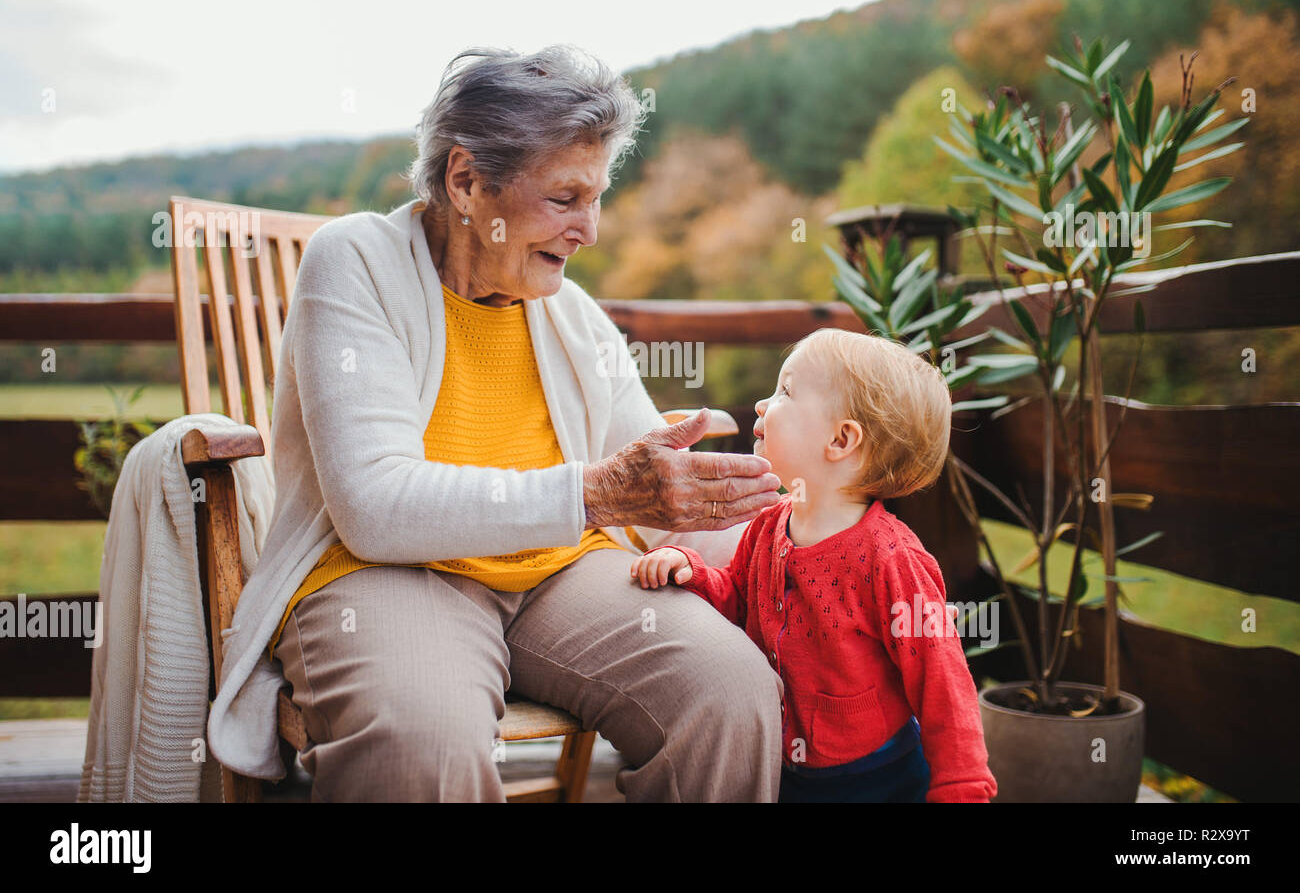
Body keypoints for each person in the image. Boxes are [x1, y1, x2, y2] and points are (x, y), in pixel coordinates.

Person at [205, 44, 785, 801]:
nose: (591, 230)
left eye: (597, 197)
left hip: (561, 573)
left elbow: (657, 496)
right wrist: (597, 495)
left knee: (731, 690)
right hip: (386, 575)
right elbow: (374, 511)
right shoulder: (355, 262)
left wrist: (793, 537)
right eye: (564, 198)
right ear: (467, 181)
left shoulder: (571, 314)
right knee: (421, 740)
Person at [630, 328, 998, 802]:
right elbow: (739, 599)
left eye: (785, 392)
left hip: (879, 778)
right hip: (788, 771)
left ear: (841, 439)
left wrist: (961, 788)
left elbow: (942, 682)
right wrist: (692, 570)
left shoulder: (892, 561)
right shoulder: (768, 527)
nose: (762, 405)